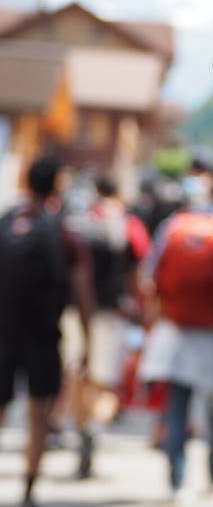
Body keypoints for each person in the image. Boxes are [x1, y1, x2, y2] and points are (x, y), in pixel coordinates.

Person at [0, 156, 93, 507]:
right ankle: (27, 486)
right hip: (42, 336)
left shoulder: (7, 222)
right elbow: (82, 290)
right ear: (57, 185)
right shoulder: (62, 232)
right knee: (39, 414)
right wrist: (87, 338)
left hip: (3, 334)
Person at [139, 200, 213, 502]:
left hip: (177, 332)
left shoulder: (171, 230)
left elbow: (151, 276)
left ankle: (176, 483)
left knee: (177, 409)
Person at [63, 174, 129, 479]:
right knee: (103, 379)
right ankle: (93, 428)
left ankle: (79, 426)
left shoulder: (75, 223)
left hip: (73, 313)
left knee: (77, 374)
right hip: (106, 314)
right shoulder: (124, 224)